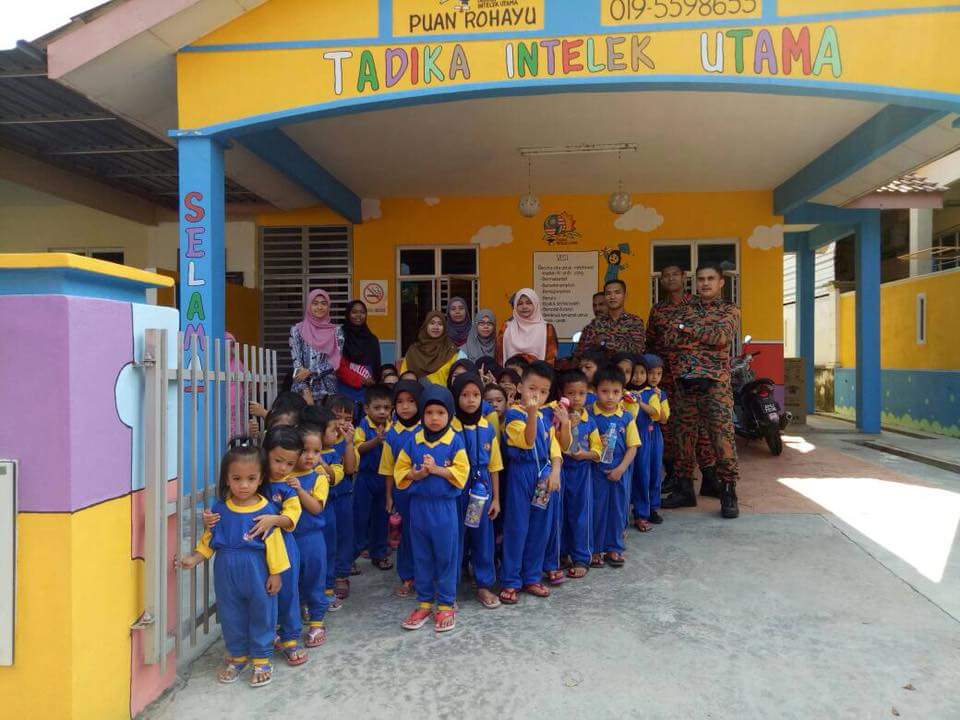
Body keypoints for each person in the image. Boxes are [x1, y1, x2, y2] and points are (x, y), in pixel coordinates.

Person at [178, 441, 289, 689]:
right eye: (237, 478)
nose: (244, 485)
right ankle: (237, 655)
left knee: (262, 612)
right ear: (227, 479)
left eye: (251, 478)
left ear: (260, 479)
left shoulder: (266, 510)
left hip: (257, 569)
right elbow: (209, 539)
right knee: (230, 614)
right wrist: (195, 557)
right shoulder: (220, 509)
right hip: (226, 569)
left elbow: (275, 545)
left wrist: (276, 574)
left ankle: (261, 658)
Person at [661, 263, 741, 519]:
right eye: (701, 279)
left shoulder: (729, 310)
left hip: (714, 385)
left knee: (722, 439)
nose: (705, 283)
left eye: (710, 279)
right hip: (685, 383)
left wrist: (687, 330)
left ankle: (728, 490)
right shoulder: (683, 309)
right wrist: (697, 334)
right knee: (683, 439)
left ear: (721, 283)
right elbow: (670, 339)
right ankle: (685, 488)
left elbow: (721, 338)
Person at [393, 384, 470, 633]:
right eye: (429, 413)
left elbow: (462, 473)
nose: (434, 418)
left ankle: (446, 603)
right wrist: (415, 475)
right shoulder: (413, 440)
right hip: (418, 508)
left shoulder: (455, 441)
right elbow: (400, 471)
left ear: (449, 415)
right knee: (422, 555)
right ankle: (425, 602)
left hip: (445, 508)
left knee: (446, 556)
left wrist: (436, 469)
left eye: (440, 413)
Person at [646, 265, 719, 497]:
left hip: (693, 377)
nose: (670, 278)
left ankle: (709, 476)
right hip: (668, 379)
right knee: (671, 429)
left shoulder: (697, 305)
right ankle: (675, 477)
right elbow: (651, 343)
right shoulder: (658, 310)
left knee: (700, 428)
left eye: (674, 274)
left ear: (684, 278)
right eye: (665, 275)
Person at [498, 361, 567, 605]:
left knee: (540, 527)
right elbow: (527, 442)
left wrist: (556, 469)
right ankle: (510, 580)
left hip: (544, 475)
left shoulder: (546, 416)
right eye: (531, 388)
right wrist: (530, 413)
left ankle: (532, 576)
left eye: (543, 391)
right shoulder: (514, 415)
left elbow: (555, 447)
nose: (536, 395)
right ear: (519, 387)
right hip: (521, 473)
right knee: (517, 527)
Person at [451, 372, 503, 609]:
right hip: (455, 489)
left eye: (476, 395)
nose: (471, 400)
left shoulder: (487, 427)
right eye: (464, 395)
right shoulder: (449, 425)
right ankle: (449, 587)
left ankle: (483, 585)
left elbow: (494, 466)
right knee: (455, 537)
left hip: (482, 490)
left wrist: (497, 499)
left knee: (483, 537)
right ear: (455, 397)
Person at [590, 365, 640, 568]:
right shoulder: (589, 415)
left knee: (619, 509)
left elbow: (633, 447)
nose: (610, 397)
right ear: (595, 391)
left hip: (621, 470)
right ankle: (594, 549)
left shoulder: (626, 417)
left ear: (622, 392)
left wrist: (621, 469)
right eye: (604, 391)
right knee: (596, 508)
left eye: (616, 392)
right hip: (595, 471)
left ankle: (614, 547)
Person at [287, 422, 332, 648]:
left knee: (315, 578)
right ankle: (290, 625)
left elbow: (315, 508)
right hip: (288, 539)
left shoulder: (319, 478)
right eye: (304, 450)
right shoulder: (284, 476)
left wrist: (299, 490)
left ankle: (317, 622)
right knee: (291, 581)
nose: (310, 456)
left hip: (312, 538)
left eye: (316, 451)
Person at [379, 379, 422, 598]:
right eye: (400, 402)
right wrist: (389, 496)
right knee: (406, 536)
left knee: (422, 535)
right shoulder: (392, 434)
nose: (405, 406)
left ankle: (425, 576)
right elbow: (388, 469)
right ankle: (407, 577)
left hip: (425, 493)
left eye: (411, 401)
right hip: (402, 492)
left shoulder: (428, 427)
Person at [558, 370, 602, 578]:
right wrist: (566, 425)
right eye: (571, 393)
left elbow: (598, 451)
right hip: (560, 472)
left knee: (580, 515)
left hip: (582, 474)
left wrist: (584, 454)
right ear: (563, 394)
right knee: (560, 514)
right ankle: (562, 554)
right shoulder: (557, 417)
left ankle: (582, 557)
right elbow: (562, 447)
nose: (577, 398)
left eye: (582, 393)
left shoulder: (589, 422)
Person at [353, 385, 394, 571]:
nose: (382, 412)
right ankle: (350, 557)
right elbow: (358, 448)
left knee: (382, 518)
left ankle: (379, 553)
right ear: (366, 408)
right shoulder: (362, 425)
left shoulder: (392, 426)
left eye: (386, 407)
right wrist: (376, 441)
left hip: (384, 480)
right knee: (359, 519)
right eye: (377, 408)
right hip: (365, 478)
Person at [290, 289, 343, 406]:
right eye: (315, 303)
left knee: (328, 423)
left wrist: (311, 371)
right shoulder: (297, 330)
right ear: (309, 305)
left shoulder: (336, 331)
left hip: (328, 391)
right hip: (303, 390)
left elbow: (335, 362)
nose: (319, 307)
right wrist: (305, 390)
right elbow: (297, 362)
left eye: (323, 303)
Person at [573, 279, 646, 362]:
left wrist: (605, 342)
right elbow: (583, 351)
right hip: (602, 372)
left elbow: (638, 350)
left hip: (625, 372)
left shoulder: (634, 322)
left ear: (625, 295)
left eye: (617, 292)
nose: (612, 297)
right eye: (608, 293)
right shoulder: (596, 323)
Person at [400, 311, 464, 386]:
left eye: (440, 324)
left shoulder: (451, 351)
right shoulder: (413, 351)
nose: (436, 327)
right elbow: (404, 377)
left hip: (442, 396)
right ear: (426, 325)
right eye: (432, 323)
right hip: (415, 395)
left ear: (444, 328)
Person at [338, 300, 382, 407]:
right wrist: (360, 380)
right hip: (344, 388)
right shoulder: (339, 335)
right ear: (348, 314)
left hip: (366, 390)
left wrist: (373, 381)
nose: (358, 315)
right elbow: (337, 364)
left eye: (362, 312)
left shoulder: (372, 339)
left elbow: (376, 365)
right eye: (354, 312)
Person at [497, 289, 558, 365]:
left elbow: (550, 359)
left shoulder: (547, 329)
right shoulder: (506, 328)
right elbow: (500, 358)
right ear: (515, 306)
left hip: (538, 375)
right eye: (520, 304)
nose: (524, 307)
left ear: (535, 304)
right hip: (511, 375)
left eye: (529, 303)